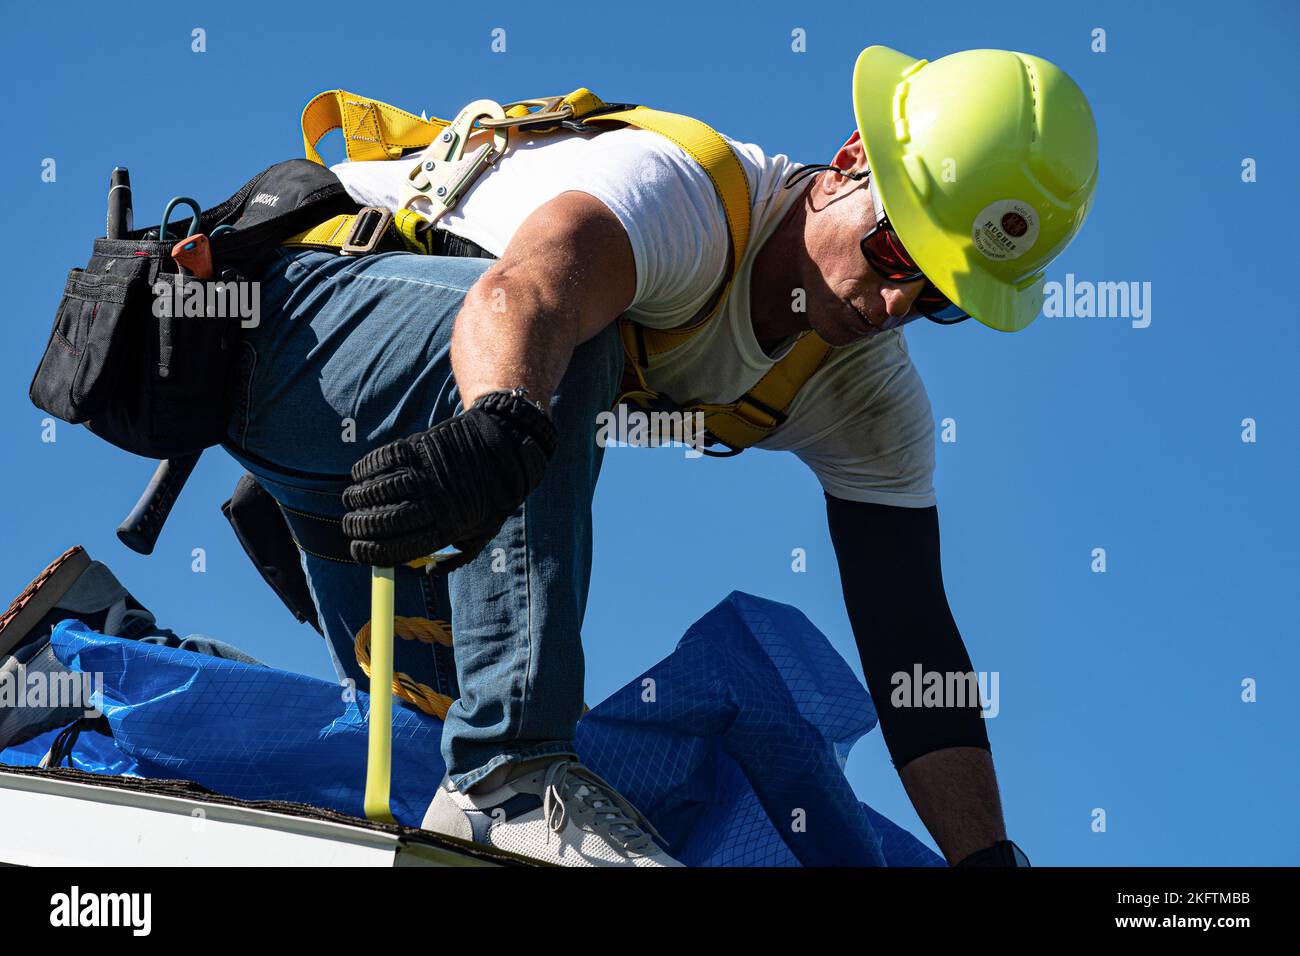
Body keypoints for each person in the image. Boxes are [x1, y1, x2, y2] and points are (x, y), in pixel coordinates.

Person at [5, 44, 1098, 867]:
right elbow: (527, 293)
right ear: (851, 163)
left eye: (943, 299)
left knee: (408, 752)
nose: (898, 301)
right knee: (574, 348)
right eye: (896, 251)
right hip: (291, 340)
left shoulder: (866, 397)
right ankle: (517, 775)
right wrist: (498, 426)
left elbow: (914, 638)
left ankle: (81, 677)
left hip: (422, 447)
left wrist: (987, 863)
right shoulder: (686, 194)